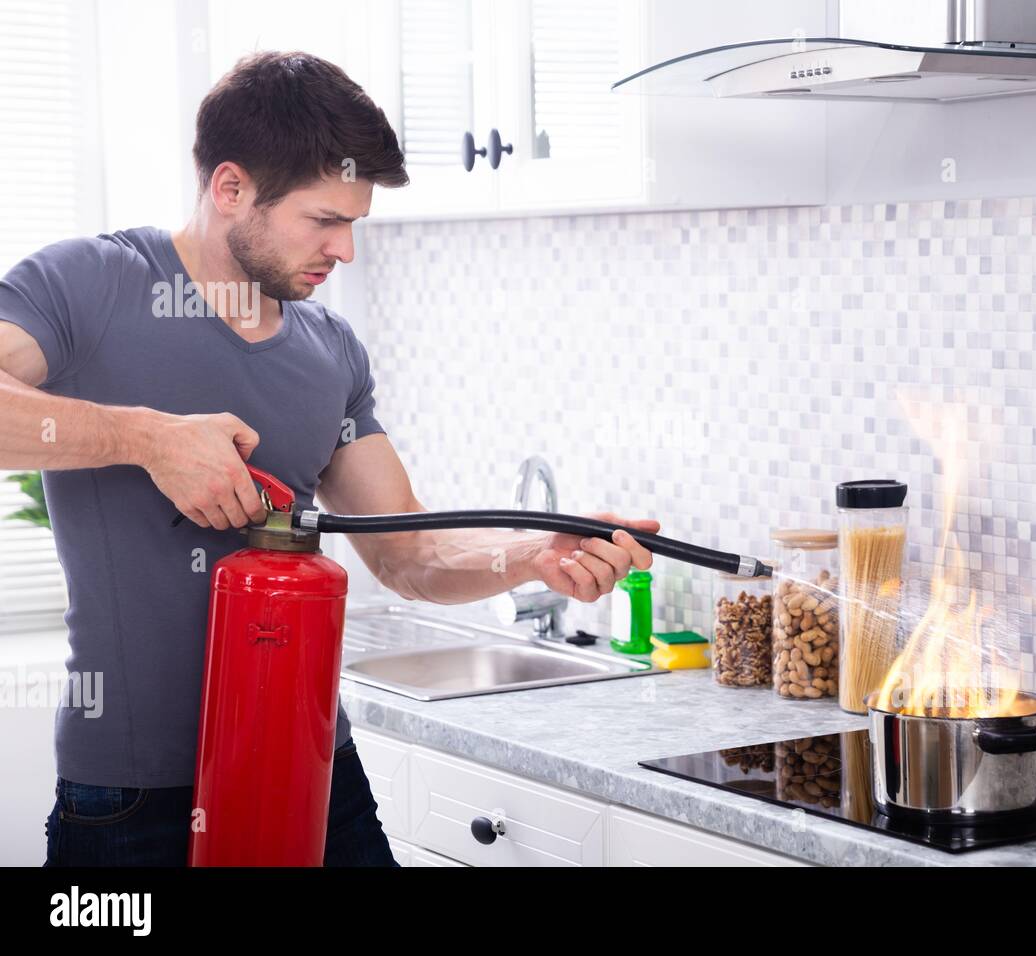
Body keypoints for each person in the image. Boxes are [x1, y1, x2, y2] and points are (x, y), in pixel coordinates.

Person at [0, 51, 659, 867]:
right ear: (231, 189)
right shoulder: (89, 284)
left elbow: (408, 551)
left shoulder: (330, 349)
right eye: (324, 220)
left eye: (355, 222)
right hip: (134, 798)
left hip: (312, 772)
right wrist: (149, 440)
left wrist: (530, 553)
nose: (346, 250)